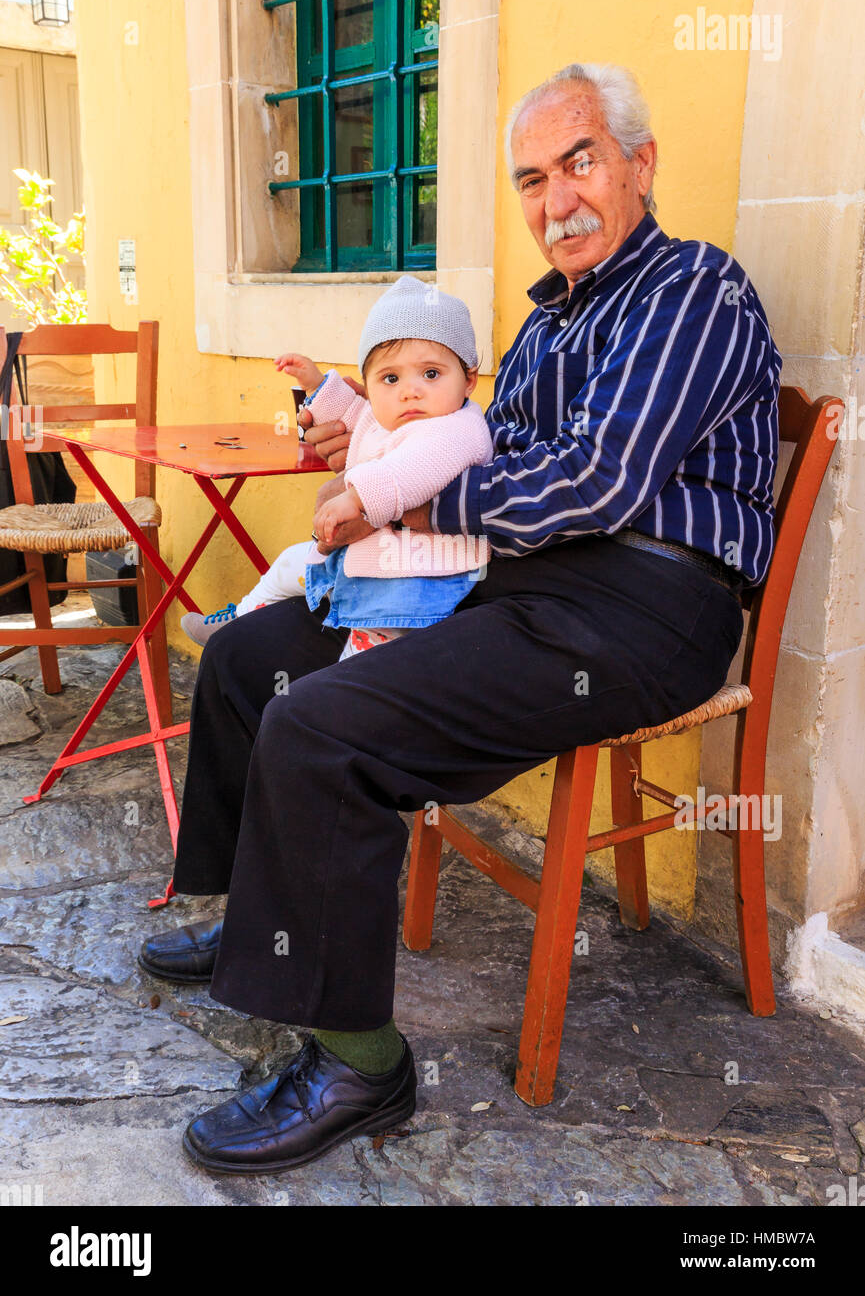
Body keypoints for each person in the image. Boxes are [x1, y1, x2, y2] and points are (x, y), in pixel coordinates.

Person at [139, 62, 780, 1175]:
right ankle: (267, 925)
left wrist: (416, 496)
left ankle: (359, 1063)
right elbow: (488, 451)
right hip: (521, 578)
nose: (557, 198)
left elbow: (600, 481)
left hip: (645, 606)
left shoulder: (694, 290)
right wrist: (379, 444)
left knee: (326, 724)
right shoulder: (539, 331)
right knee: (250, 657)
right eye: (532, 178)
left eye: (579, 161)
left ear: (640, 162)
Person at [178, 276, 492, 660]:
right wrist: (317, 387)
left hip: (416, 577)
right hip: (370, 559)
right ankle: (241, 616)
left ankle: (343, 703)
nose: (410, 390)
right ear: (370, 385)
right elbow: (355, 417)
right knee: (288, 564)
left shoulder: (458, 430)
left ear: (469, 379)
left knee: (362, 661)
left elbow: (411, 470)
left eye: (430, 373)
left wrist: (356, 498)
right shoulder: (389, 419)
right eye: (390, 378)